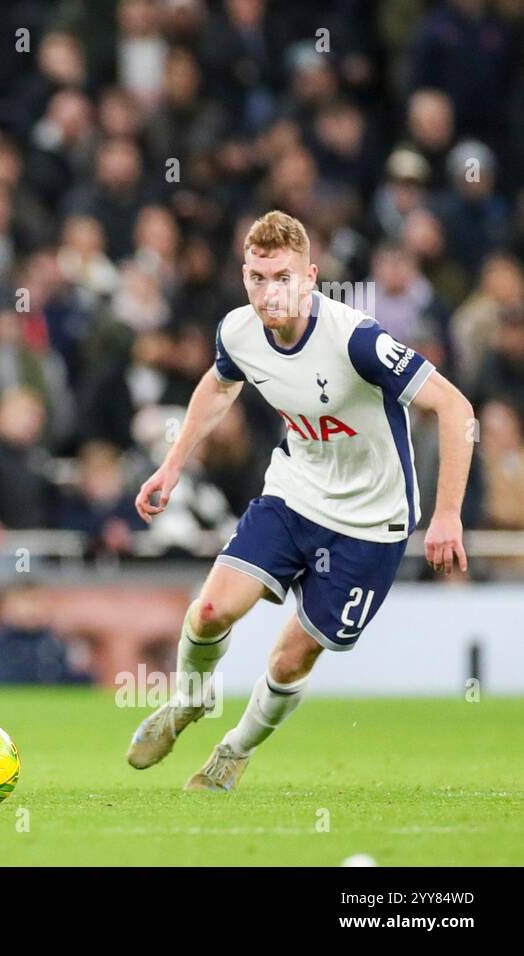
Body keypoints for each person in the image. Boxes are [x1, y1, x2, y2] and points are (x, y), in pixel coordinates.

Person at [127, 210, 472, 791]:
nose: (270, 292)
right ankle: (189, 702)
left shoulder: (358, 340)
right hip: (294, 495)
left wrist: (447, 514)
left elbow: (457, 408)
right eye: (258, 278)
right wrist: (173, 462)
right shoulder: (237, 331)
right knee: (209, 612)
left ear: (310, 277)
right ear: (245, 278)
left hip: (372, 522)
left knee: (290, 660)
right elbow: (219, 384)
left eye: (282, 277)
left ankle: (234, 750)